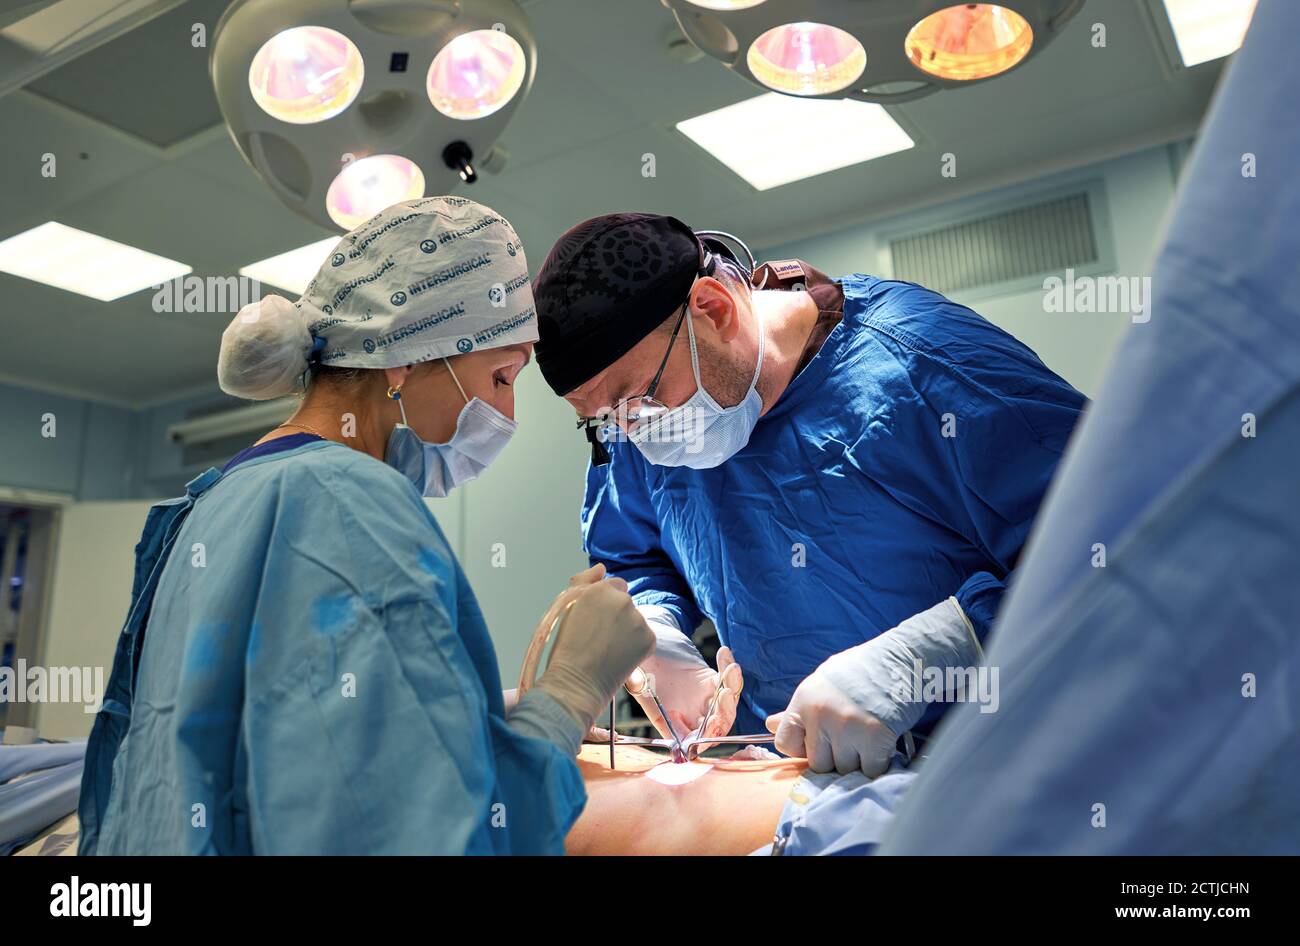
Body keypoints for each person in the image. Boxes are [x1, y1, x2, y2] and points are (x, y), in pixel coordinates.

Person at [78, 197, 654, 855]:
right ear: (408, 351)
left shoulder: (219, 500)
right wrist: (568, 694)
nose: (508, 412)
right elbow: (430, 839)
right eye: (501, 375)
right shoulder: (347, 502)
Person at [531, 216, 1087, 776]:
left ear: (714, 308)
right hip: (798, 781)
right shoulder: (639, 430)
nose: (633, 435)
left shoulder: (928, 364)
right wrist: (656, 632)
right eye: (603, 421)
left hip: (1005, 765)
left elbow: (1115, 539)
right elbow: (632, 554)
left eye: (640, 401)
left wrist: (933, 653)